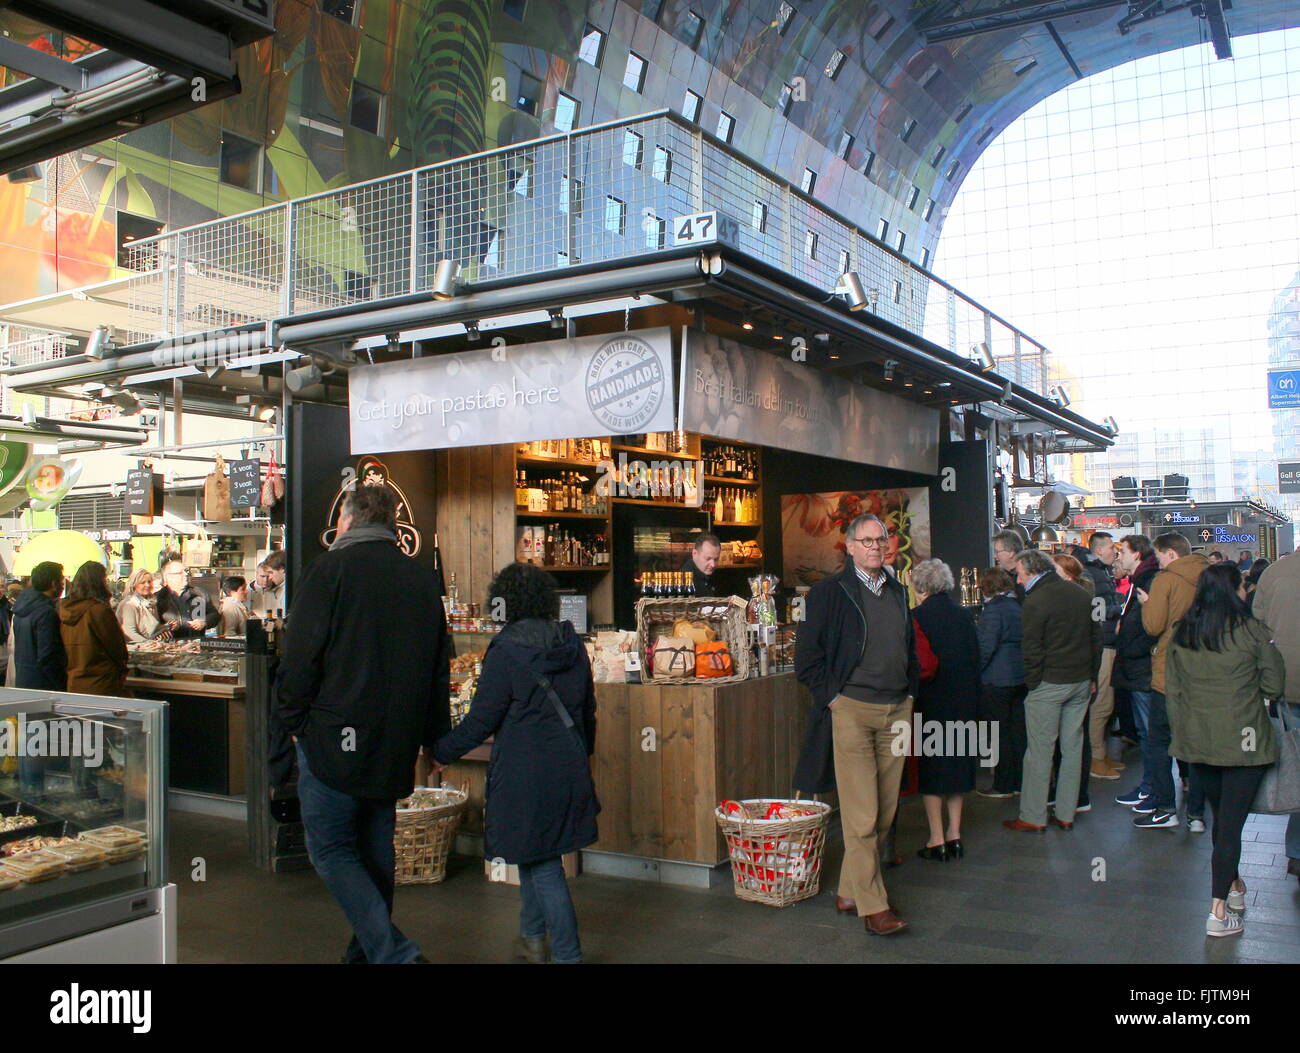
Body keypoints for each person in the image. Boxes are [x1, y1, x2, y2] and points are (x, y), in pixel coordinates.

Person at [276, 484, 450, 964]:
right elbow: (438, 666)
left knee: (330, 850)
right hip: (394, 741)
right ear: (393, 524)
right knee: (376, 854)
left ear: (347, 521)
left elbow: (300, 657)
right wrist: (434, 738)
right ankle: (367, 955)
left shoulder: (328, 571)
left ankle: (394, 954)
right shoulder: (418, 580)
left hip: (333, 738)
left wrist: (290, 721)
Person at [431, 563, 599, 964]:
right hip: (569, 763)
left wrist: (441, 752)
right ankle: (531, 937)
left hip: (526, 771)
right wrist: (585, 756)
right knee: (536, 851)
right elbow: (587, 711)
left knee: (542, 864)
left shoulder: (505, 651)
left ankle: (567, 955)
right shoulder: (570, 644)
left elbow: (481, 720)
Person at [794, 512, 919, 936]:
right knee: (862, 816)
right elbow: (806, 658)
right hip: (852, 710)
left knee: (884, 814)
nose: (874, 547)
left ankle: (848, 890)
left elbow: (909, 647)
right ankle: (874, 907)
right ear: (848, 547)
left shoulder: (898, 592)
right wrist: (834, 699)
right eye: (865, 541)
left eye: (879, 541)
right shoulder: (829, 593)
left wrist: (911, 692)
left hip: (896, 709)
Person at [1165, 563, 1285, 937]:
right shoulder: (1253, 632)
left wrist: (1182, 736)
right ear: (1235, 591)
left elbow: (1174, 693)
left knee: (1222, 820)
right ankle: (1217, 912)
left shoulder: (1182, 633)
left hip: (1198, 742)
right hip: (1245, 740)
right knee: (1231, 826)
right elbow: (1274, 684)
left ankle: (1234, 887)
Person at [1004, 548, 1100, 833]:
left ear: (1032, 571)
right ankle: (1066, 814)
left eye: (1019, 574)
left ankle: (1033, 816)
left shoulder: (1036, 601)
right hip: (1081, 682)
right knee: (1073, 749)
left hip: (1049, 684)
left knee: (1039, 752)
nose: (1018, 581)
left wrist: (1033, 682)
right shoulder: (1082, 594)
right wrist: (1092, 676)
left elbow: (1031, 648)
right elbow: (1096, 638)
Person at [1133, 532, 1208, 830]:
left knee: (1159, 741)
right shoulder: (1211, 576)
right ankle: (1197, 815)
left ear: (1171, 554)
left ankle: (1166, 809)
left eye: (1160, 555)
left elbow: (1153, 626)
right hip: (1204, 671)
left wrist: (1148, 603)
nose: (1158, 561)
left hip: (1169, 670)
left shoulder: (1166, 580)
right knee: (1196, 745)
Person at [910, 559, 979, 860]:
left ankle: (936, 839)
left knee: (932, 772)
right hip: (963, 702)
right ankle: (955, 834)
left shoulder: (914, 618)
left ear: (921, 587)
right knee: (958, 768)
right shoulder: (965, 616)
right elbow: (976, 659)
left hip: (930, 703)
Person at [1250, 550, 1300, 885]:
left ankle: (1297, 852)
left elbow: (1258, 622)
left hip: (1288, 682)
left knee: (1296, 767)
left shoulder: (1275, 572)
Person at [1112, 535, 1162, 813]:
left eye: (1123, 551)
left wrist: (1132, 647)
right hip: (1138, 666)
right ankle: (1151, 787)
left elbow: (1152, 625)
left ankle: (1151, 789)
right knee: (1148, 732)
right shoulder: (1139, 581)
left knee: (1150, 733)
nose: (1119, 556)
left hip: (1142, 668)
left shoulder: (1148, 581)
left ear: (1138, 554)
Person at [1074, 535, 1124, 779]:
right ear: (1100, 549)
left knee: (1107, 702)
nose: (1116, 552)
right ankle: (1096, 757)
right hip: (1103, 644)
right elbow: (1096, 610)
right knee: (1102, 703)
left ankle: (1100, 754)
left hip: (1108, 642)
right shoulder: (1094, 574)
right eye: (1112, 547)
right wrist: (1121, 609)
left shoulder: (1101, 572)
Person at [975, 567, 1026, 799]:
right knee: (1017, 732)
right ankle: (1019, 781)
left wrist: (976, 672)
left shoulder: (993, 611)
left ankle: (1003, 784)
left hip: (997, 678)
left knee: (999, 733)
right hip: (1019, 676)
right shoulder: (1016, 607)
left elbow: (986, 647)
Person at [58, 561, 130, 697]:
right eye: (105, 579)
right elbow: (116, 648)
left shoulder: (63, 610)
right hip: (102, 684)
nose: (107, 582)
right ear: (99, 582)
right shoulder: (99, 611)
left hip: (74, 683)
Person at [10, 561, 67, 690]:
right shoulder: (46, 612)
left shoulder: (20, 609)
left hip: (24, 682)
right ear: (54, 584)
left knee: (23, 711)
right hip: (44, 687)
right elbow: (48, 655)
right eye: (62, 582)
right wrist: (61, 683)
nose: (63, 586)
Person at [156, 557, 219, 639]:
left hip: (196, 644)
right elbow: (152, 626)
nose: (185, 574)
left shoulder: (199, 593)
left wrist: (204, 622)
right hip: (170, 646)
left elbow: (214, 615)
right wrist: (166, 627)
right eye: (180, 573)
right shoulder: (159, 597)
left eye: (185, 571)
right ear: (168, 577)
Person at [116, 568, 161, 645]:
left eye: (149, 582)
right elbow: (128, 632)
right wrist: (149, 644)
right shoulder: (129, 605)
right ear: (134, 584)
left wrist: (166, 627)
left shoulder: (151, 604)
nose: (147, 585)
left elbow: (150, 629)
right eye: (143, 582)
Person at [681, 532, 721, 598]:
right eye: (708, 559)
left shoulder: (716, 575)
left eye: (716, 559)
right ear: (694, 553)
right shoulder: (684, 582)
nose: (713, 565)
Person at [992, 530, 1025, 599]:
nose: (995, 556)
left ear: (1011, 553)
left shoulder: (1027, 576)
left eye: (997, 552)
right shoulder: (1002, 577)